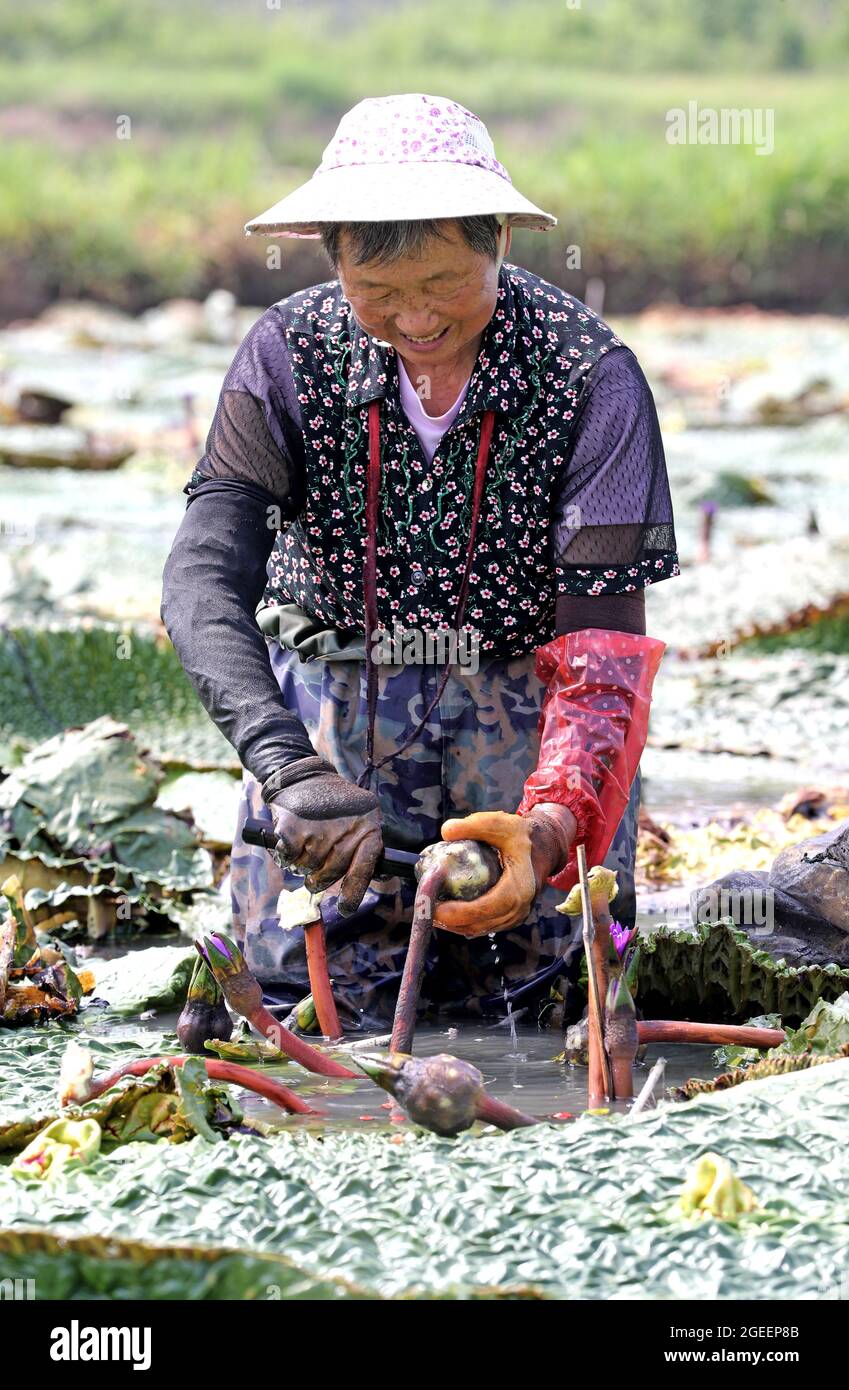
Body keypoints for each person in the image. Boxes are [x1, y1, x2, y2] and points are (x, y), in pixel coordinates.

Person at [161, 93, 678, 1030]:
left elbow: (601, 647)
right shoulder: (286, 357)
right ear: (332, 259)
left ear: (500, 247)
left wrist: (552, 823)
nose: (415, 317)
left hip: (522, 743)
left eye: (444, 281)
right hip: (334, 736)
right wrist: (290, 770)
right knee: (296, 1019)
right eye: (378, 291)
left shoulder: (588, 377)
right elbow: (201, 583)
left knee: (547, 1020)